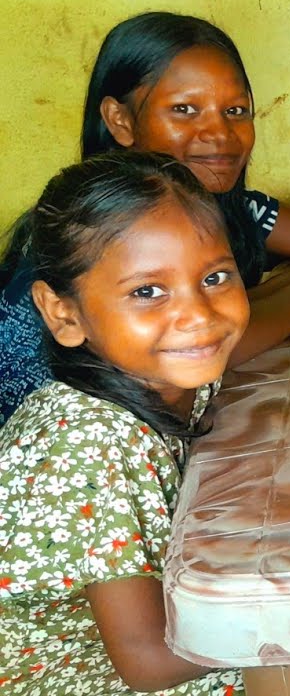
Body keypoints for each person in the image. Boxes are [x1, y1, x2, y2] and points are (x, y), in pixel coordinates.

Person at [0, 12, 290, 422]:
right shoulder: (82, 236)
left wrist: (282, 287)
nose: (219, 134)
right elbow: (181, 360)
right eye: (185, 109)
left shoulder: (231, 209)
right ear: (120, 120)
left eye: (236, 111)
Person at [0, 151, 251, 695]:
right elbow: (146, 660)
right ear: (63, 314)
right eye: (147, 291)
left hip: (135, 624)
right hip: (63, 663)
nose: (199, 315)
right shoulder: (84, 443)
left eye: (214, 277)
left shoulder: (171, 373)